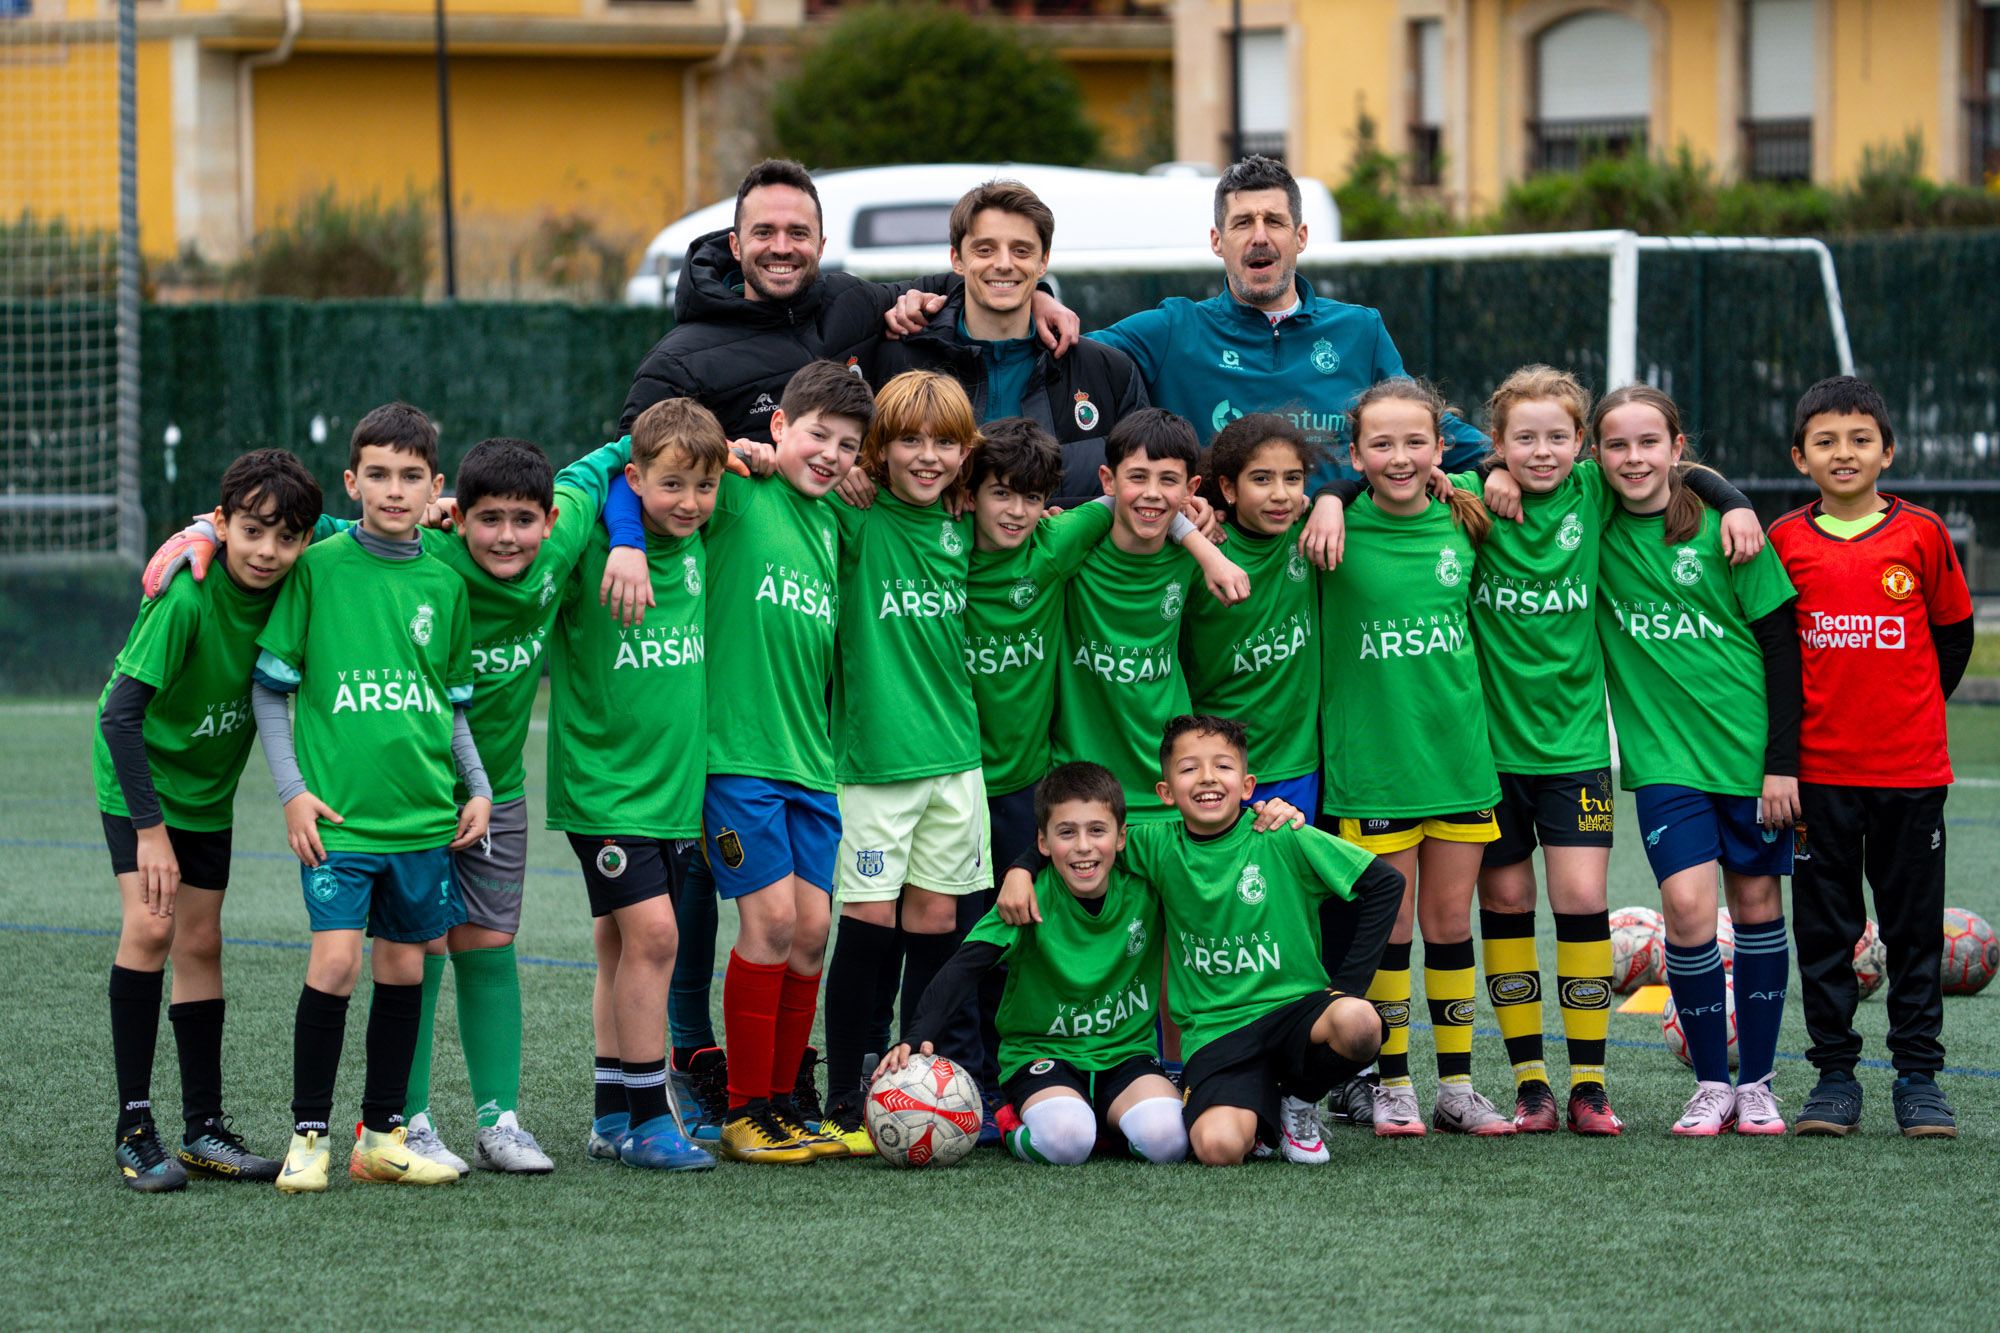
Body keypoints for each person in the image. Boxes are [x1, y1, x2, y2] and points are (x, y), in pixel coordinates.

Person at [605, 360, 877, 1163]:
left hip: (807, 761)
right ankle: (746, 1107)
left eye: (848, 445)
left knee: (814, 929)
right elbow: (629, 476)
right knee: (770, 921)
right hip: (736, 758)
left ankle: (787, 1098)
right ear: (780, 427)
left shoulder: (830, 525)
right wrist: (626, 538)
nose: (830, 454)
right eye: (817, 435)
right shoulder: (735, 490)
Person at [250, 403, 490, 1191]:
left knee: (405, 970)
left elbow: (450, 703)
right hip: (341, 822)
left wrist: (477, 785)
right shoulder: (317, 567)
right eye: (378, 475)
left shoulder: (445, 582)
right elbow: (270, 688)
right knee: (336, 962)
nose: (394, 490)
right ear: (352, 482)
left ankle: (382, 1134)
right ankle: (309, 1133)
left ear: (435, 488)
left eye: (410, 476)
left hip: (422, 820)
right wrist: (292, 792)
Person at [998, 715, 1402, 1167]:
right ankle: (1260, 1109)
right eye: (1190, 768)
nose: (1208, 778)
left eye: (1222, 767)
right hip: (1217, 1034)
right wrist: (1022, 866)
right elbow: (1082, 835)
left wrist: (1345, 989)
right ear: (1166, 792)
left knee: (1360, 1022)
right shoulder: (1154, 846)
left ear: (1248, 785)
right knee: (1217, 1149)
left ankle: (1298, 1103)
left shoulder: (1281, 834)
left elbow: (1385, 885)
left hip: (1294, 1015)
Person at [96, 449, 322, 1192]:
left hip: (206, 793)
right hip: (143, 786)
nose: (268, 551)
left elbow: (363, 529)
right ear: (220, 523)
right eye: (252, 531)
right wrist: (149, 830)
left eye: (287, 537)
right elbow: (119, 716)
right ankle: (134, 1129)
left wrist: (431, 512)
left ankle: (203, 1131)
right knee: (153, 928)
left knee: (201, 940)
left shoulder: (300, 583)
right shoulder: (187, 597)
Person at [1591, 384, 1802, 1137]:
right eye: (1616, 444)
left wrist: (1783, 763)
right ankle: (1712, 1082)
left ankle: (1761, 1083)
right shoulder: (1593, 526)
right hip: (1663, 760)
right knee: (1686, 908)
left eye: (1650, 442)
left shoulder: (1724, 526)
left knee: (1755, 906)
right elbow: (1520, 462)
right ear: (1598, 455)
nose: (1634, 457)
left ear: (1678, 448)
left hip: (1749, 758)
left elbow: (1781, 646)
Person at [1768, 375, 1974, 1139]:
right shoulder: (1786, 540)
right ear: (1799, 457)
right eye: (1825, 440)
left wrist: (1910, 705)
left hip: (1911, 773)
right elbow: (1778, 658)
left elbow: (1951, 636)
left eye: (1860, 439)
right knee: (1826, 931)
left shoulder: (1921, 534)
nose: (1844, 452)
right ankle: (1833, 1076)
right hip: (1819, 778)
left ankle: (1918, 1078)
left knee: (1913, 928)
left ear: (1889, 450)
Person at [1312, 378, 1513, 1138]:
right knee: (1390, 927)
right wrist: (1329, 495)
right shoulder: (1329, 523)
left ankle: (1457, 1086)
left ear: (1439, 448)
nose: (1399, 457)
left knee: (1448, 922)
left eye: (1414, 442)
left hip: (1457, 758)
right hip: (1372, 764)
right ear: (1356, 453)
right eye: (1381, 444)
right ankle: (1392, 1083)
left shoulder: (1468, 516)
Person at [539, 401, 725, 1173]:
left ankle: (612, 1108)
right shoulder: (591, 539)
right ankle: (653, 1117)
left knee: (619, 940)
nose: (688, 500)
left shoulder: (702, 534)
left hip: (671, 791)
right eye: (670, 483)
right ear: (635, 480)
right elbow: (583, 471)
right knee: (656, 936)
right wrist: (621, 532)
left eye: (703, 485)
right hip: (606, 786)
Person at [1059, 155, 1486, 489]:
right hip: (1222, 572)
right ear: (1217, 241)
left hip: (1334, 567)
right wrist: (1041, 300)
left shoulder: (1361, 330)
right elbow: (1060, 352)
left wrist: (1498, 463)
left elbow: (1422, 425)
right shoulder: (1172, 329)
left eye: (1275, 221)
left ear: (1300, 237)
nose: (1259, 236)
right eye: (1242, 223)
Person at [816, 371, 988, 1155]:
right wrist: (845, 472)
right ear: (878, 451)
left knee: (936, 919)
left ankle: (923, 1068)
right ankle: (848, 1085)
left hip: (955, 758)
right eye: (909, 442)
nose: (928, 457)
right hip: (873, 764)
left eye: (945, 443)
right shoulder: (854, 514)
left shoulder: (966, 521)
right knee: (869, 919)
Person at [620, 159, 1077, 443]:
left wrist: (1036, 296)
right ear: (736, 246)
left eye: (798, 233)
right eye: (764, 233)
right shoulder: (678, 362)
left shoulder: (852, 301)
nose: (782, 247)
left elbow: (969, 279)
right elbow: (628, 468)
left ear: (820, 246)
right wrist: (627, 544)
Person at [879, 761, 1185, 1166]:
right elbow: (963, 969)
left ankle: (1105, 1125)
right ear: (1042, 842)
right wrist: (916, 1036)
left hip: (1126, 1053)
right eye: (1066, 832)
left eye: (1097, 830)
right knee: (1066, 1143)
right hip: (1043, 1054)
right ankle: (1015, 1124)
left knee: (1168, 1143)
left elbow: (1209, 843)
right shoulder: (1026, 897)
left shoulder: (1147, 886)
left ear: (1121, 836)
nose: (1083, 846)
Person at [872, 179, 1148, 503]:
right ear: (957, 259)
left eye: (1021, 250)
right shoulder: (897, 364)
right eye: (985, 249)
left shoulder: (1109, 374)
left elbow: (1146, 492)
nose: (1004, 263)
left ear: (1043, 261)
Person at [1054, 408, 1248, 824]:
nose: (1153, 493)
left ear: (1191, 488)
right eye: (1137, 477)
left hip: (1170, 790)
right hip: (1084, 788)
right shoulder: (1075, 545)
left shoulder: (1195, 556)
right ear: (1108, 480)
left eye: (1168, 480)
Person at [1184, 414, 1322, 817]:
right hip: (1217, 768)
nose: (1281, 494)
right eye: (1261, 479)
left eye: (1293, 479)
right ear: (1227, 488)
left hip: (1297, 765)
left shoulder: (1308, 533)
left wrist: (1330, 498)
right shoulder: (1202, 548)